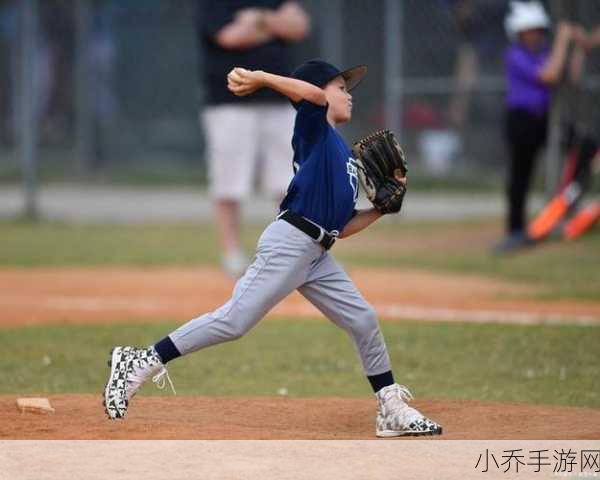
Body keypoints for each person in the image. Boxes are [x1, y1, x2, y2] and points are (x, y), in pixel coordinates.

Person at [103, 59, 443, 438]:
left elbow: (342, 228)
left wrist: (381, 210)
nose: (349, 96)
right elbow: (311, 96)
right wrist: (263, 78)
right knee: (235, 321)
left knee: (363, 319)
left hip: (318, 253)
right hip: (290, 242)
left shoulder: (345, 156)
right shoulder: (315, 130)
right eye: (341, 88)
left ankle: (390, 407)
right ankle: (142, 360)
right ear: (320, 92)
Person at [197, 0, 310, 277]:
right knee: (229, 181)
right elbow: (230, 37)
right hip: (229, 101)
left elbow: (299, 28)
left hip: (281, 99)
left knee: (290, 181)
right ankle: (232, 253)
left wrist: (257, 19)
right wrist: (275, 24)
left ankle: (293, 253)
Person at [494, 1, 576, 253]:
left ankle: (564, 212)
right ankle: (515, 230)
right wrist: (563, 41)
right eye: (530, 30)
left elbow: (568, 76)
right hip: (521, 119)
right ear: (519, 32)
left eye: (539, 30)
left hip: (544, 119)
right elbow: (549, 76)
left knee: (580, 146)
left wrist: (577, 46)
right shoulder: (515, 54)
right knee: (520, 175)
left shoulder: (544, 52)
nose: (536, 35)